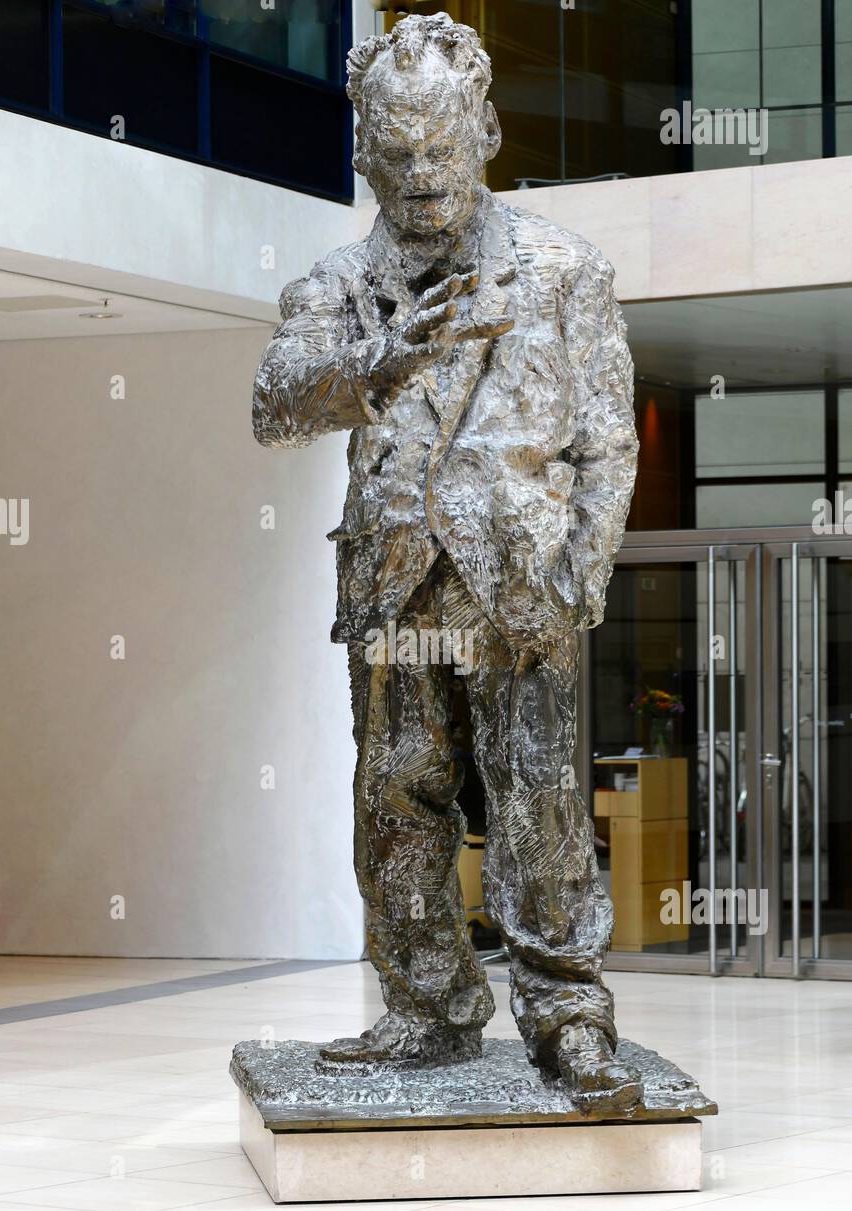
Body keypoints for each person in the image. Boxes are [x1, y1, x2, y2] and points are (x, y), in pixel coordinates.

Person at [253, 13, 641, 1112]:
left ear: (486, 131)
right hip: (394, 589)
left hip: (523, 587)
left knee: (539, 805)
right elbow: (272, 406)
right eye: (400, 149)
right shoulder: (337, 283)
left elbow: (605, 440)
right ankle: (424, 1008)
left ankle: (568, 1015)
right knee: (395, 794)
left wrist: (584, 568)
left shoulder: (567, 271)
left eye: (442, 144)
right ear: (364, 151)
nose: (423, 173)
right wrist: (373, 363)